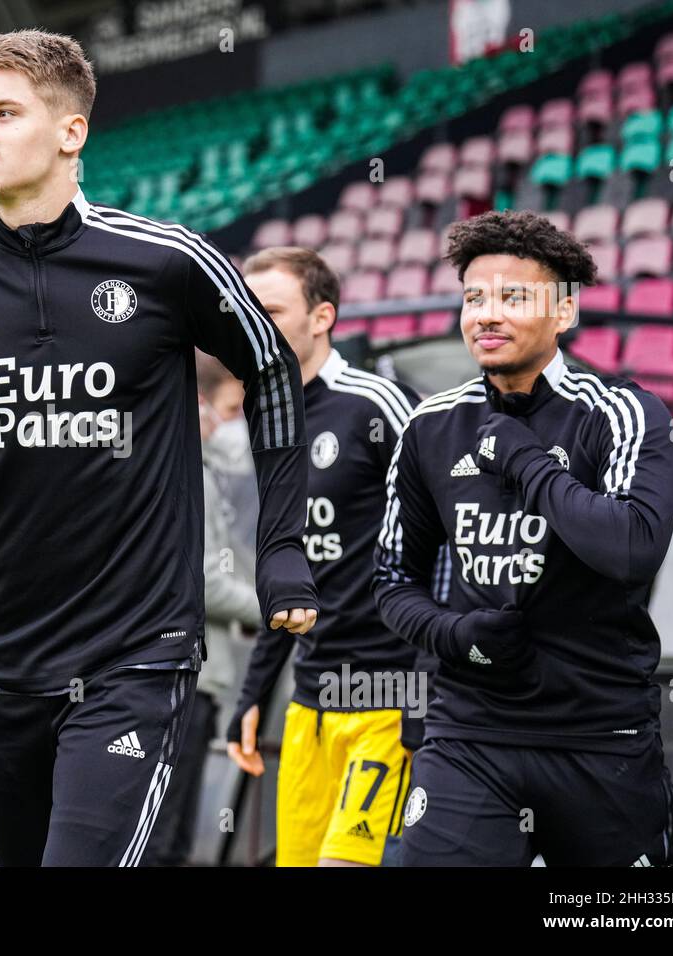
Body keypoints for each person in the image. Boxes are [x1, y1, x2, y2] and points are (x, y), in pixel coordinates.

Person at [0, 29, 318, 866]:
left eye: (2, 112)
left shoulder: (168, 263)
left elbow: (274, 377)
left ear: (72, 132)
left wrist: (280, 547)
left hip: (136, 656)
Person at [373, 210, 673, 866]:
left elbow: (630, 549)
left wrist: (525, 460)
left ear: (564, 312)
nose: (488, 314)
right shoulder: (430, 425)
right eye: (475, 297)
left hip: (599, 734)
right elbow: (395, 579)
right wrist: (456, 635)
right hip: (469, 730)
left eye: (514, 297)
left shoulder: (623, 413)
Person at [226, 247, 424, 866]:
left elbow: (449, 541)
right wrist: (252, 696)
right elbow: (290, 572)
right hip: (309, 704)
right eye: (245, 311)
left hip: (387, 697)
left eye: (272, 310)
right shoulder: (265, 423)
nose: (254, 323)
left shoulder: (378, 405)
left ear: (322, 317)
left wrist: (427, 689)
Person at [144, 356, 265, 867]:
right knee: (162, 838)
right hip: (178, 678)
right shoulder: (184, 467)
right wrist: (275, 605)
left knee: (171, 834)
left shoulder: (201, 467)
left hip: (193, 678)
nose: (239, 423)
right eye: (234, 408)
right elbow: (205, 581)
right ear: (199, 403)